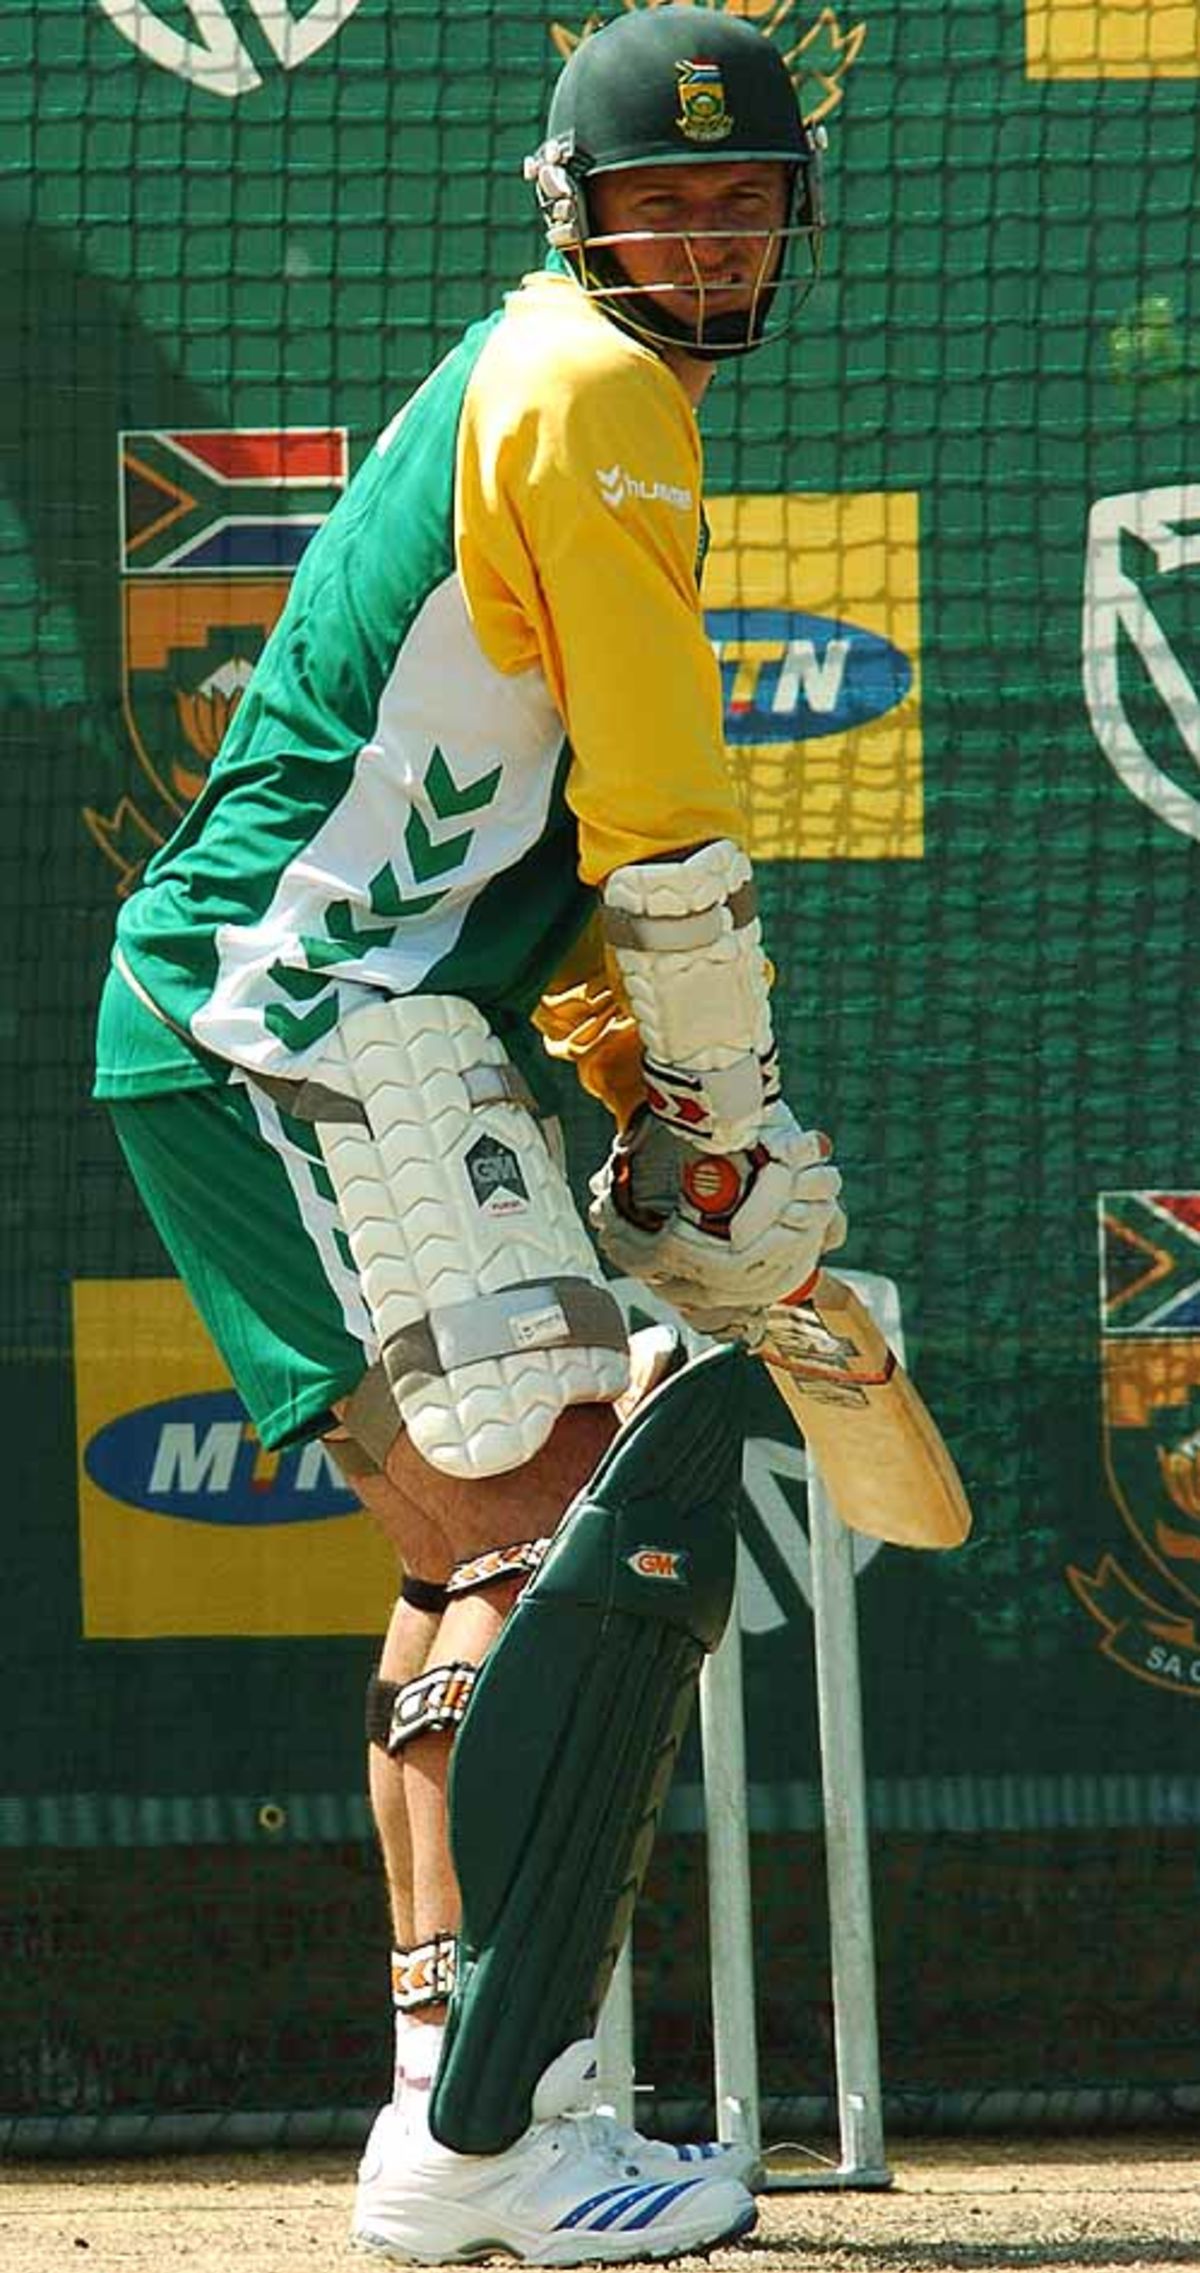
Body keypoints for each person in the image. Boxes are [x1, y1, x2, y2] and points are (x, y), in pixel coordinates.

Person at [93, 6, 845, 2261]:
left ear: (788, 221)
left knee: (480, 1555)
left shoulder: (548, 380)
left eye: (741, 201)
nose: (704, 241)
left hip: (349, 1014)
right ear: (574, 212)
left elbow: (551, 861)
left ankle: (461, 2117)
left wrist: (642, 1097)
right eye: (660, 202)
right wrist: (727, 1108)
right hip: (300, 1020)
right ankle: (499, 2138)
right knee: (551, 1539)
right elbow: (661, 815)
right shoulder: (591, 394)